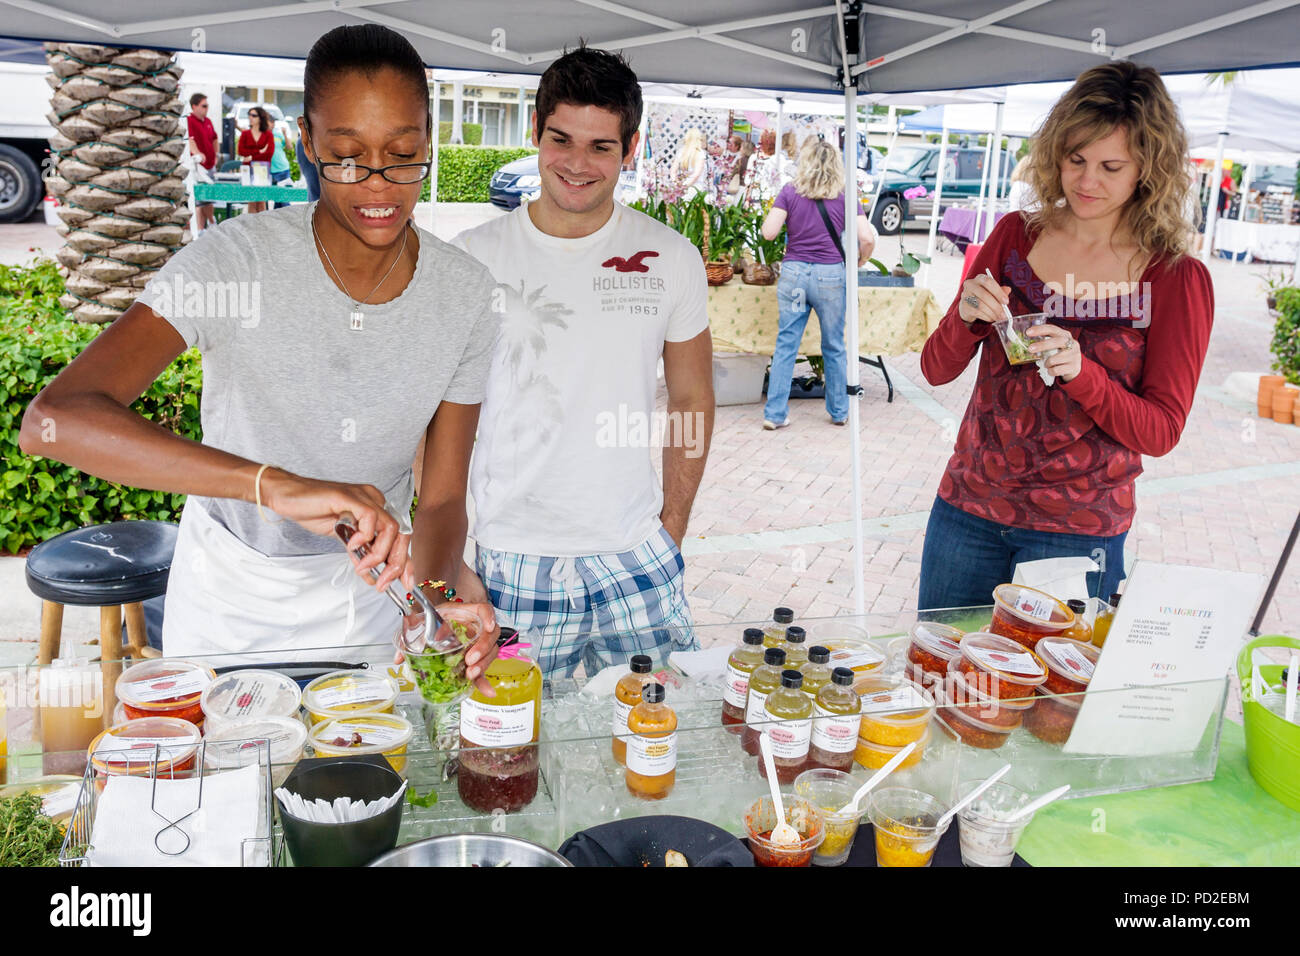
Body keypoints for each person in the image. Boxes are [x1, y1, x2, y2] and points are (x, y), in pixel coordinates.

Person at [20, 23, 501, 681]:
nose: (380, 185)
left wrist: (437, 600)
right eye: (347, 154)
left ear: (429, 141)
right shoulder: (234, 262)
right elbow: (55, 421)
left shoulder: (466, 293)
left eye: (404, 152)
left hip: (372, 612)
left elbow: (442, 501)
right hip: (229, 608)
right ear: (306, 140)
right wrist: (270, 486)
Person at [453, 43, 715, 678]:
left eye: (601, 146)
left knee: (651, 745)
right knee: (509, 750)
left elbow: (691, 401)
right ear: (535, 133)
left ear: (629, 149)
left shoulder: (671, 256)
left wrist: (669, 532)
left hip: (634, 555)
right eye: (560, 139)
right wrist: (453, 559)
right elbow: (431, 417)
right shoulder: (469, 259)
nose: (576, 163)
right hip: (510, 556)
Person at [917, 61, 1215, 610]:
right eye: (1075, 159)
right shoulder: (1013, 237)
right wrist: (965, 318)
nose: (1086, 181)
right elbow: (935, 368)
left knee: (1046, 696)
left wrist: (1084, 375)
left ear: (1148, 168)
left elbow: (1161, 431)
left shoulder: (1173, 277)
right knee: (942, 679)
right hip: (968, 510)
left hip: (1077, 534)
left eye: (1110, 166)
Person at [758, 137, 876, 430]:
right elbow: (867, 238)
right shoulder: (847, 195)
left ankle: (774, 414)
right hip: (830, 278)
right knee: (834, 345)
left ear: (805, 162)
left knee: (787, 344)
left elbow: (769, 232)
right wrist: (861, 260)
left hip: (795, 275)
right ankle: (838, 411)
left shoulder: (790, 192)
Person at [186, 93, 218, 232]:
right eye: (204, 106)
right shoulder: (189, 121)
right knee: (199, 200)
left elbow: (215, 138)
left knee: (208, 198)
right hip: (198, 167)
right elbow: (190, 140)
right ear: (194, 106)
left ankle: (210, 223)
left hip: (210, 165)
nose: (206, 109)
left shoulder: (208, 121)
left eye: (207, 106)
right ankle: (200, 228)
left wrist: (215, 154)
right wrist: (197, 153)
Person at [237, 106, 276, 213]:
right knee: (252, 200)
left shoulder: (268, 135)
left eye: (253, 115)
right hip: (248, 169)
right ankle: (251, 227)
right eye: (249, 115)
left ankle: (261, 228)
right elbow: (241, 151)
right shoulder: (245, 134)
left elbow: (268, 154)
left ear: (260, 118)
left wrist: (251, 156)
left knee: (261, 200)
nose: (250, 117)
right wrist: (259, 152)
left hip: (262, 170)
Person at [670, 127, 707, 199]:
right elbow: (696, 175)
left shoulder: (681, 151)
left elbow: (672, 171)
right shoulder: (700, 153)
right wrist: (685, 186)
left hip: (681, 189)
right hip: (696, 189)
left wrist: (677, 185)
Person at [268, 116, 295, 209]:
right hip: (268, 171)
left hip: (282, 169)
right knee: (277, 199)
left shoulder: (278, 134)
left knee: (284, 199)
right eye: (271, 122)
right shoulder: (262, 135)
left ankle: (290, 218)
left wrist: (284, 134)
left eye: (273, 122)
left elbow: (289, 147)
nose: (273, 124)